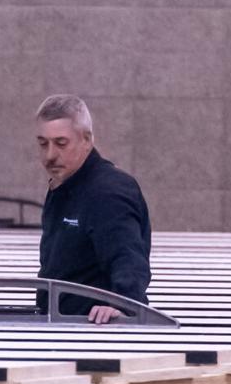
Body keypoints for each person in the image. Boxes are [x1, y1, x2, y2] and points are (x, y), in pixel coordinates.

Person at [34, 94, 152, 324]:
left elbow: (128, 259)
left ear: (87, 140)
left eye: (61, 143)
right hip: (67, 326)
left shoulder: (108, 191)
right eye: (43, 143)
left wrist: (122, 306)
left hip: (97, 332)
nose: (50, 155)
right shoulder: (64, 185)